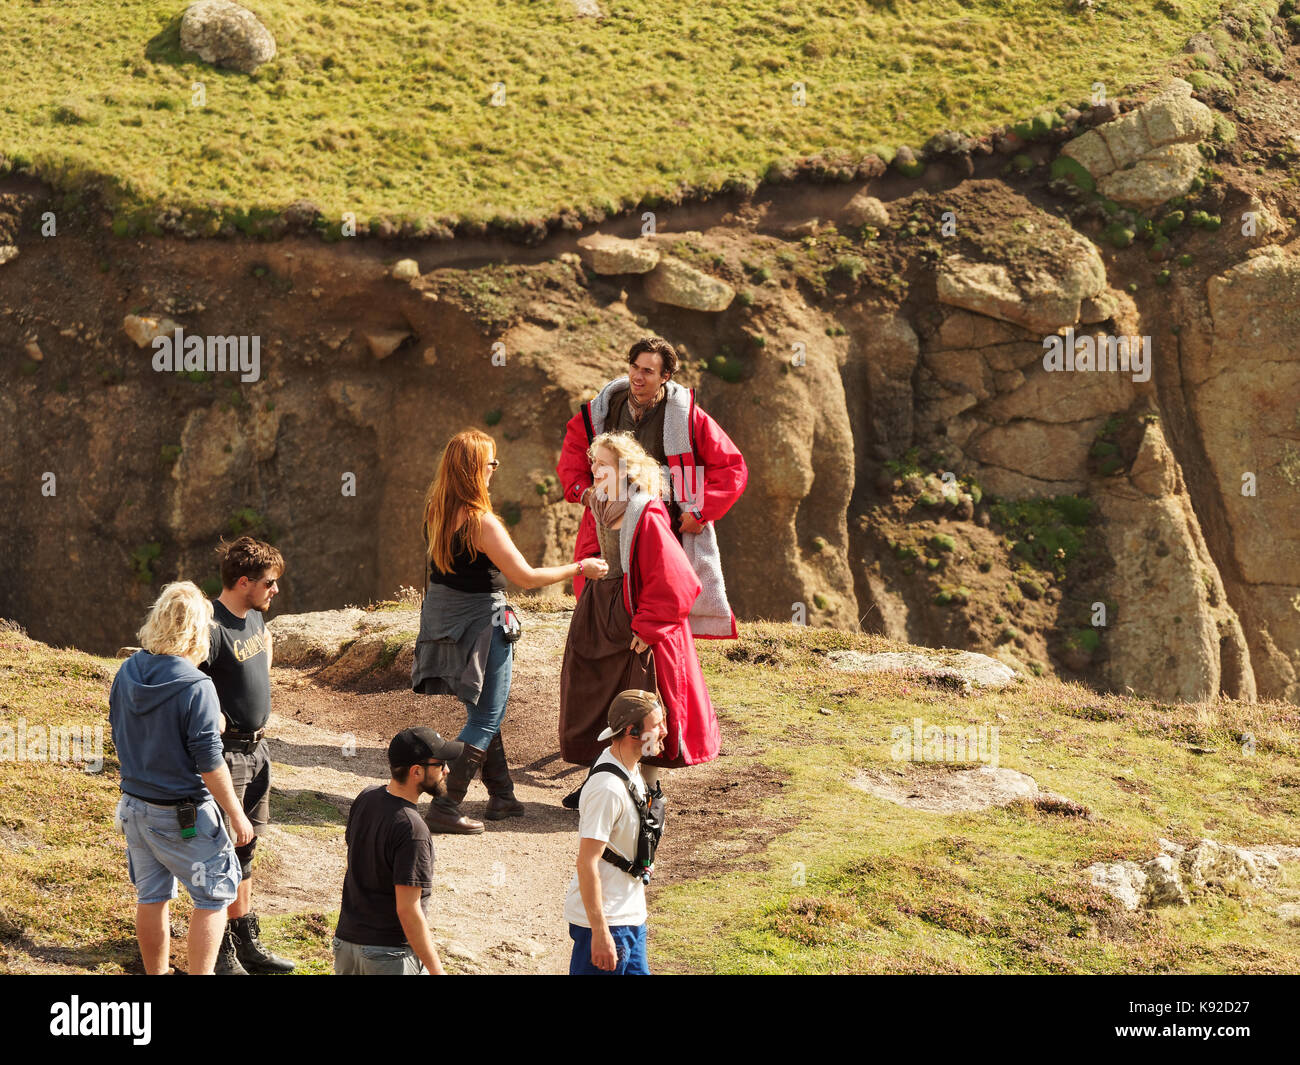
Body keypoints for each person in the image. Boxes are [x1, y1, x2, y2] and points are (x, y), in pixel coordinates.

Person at [412, 429, 609, 834]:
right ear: (473, 470)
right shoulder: (483, 523)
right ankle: (445, 804)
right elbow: (528, 576)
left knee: (485, 709)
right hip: (483, 627)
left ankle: (501, 794)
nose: (494, 470)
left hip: (444, 623)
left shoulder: (435, 508)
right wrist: (580, 568)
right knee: (486, 715)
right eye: (491, 463)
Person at [559, 432, 721, 807]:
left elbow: (675, 578)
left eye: (600, 463)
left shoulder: (644, 511)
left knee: (641, 700)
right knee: (596, 696)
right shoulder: (601, 504)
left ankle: (648, 795)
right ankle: (602, 778)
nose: (593, 469)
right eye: (593, 461)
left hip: (636, 619)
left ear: (622, 468)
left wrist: (648, 627)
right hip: (601, 614)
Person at [109, 581, 256, 976]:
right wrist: (237, 814)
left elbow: (127, 731)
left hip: (134, 808)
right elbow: (209, 763)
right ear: (199, 630)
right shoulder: (197, 684)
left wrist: (211, 721)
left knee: (152, 896)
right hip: (183, 816)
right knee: (213, 897)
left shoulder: (127, 672)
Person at [557, 335, 748, 636]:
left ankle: (650, 648)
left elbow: (731, 467)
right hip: (606, 517)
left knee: (655, 591)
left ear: (665, 376)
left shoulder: (687, 417)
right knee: (603, 591)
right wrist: (586, 494)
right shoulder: (600, 411)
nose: (637, 376)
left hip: (660, 519)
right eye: (635, 367)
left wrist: (700, 512)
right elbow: (571, 459)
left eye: (648, 371)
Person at [199, 535, 296, 975]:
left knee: (247, 847)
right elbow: (188, 684)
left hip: (258, 750)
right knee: (221, 851)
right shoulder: (209, 627)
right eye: (269, 583)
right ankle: (219, 956)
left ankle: (246, 942)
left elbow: (262, 653)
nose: (275, 589)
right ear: (243, 582)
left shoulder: (255, 617)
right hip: (227, 754)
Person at [333, 728, 459, 975]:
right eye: (440, 764)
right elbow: (408, 909)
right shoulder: (413, 830)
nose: (447, 770)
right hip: (388, 956)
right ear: (416, 771)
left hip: (346, 946)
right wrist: (437, 971)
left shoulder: (367, 797)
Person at [564, 690, 668, 975]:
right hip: (608, 923)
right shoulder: (607, 789)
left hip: (631, 915)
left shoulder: (629, 767)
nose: (665, 731)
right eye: (657, 725)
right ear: (632, 732)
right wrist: (600, 932)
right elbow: (587, 861)